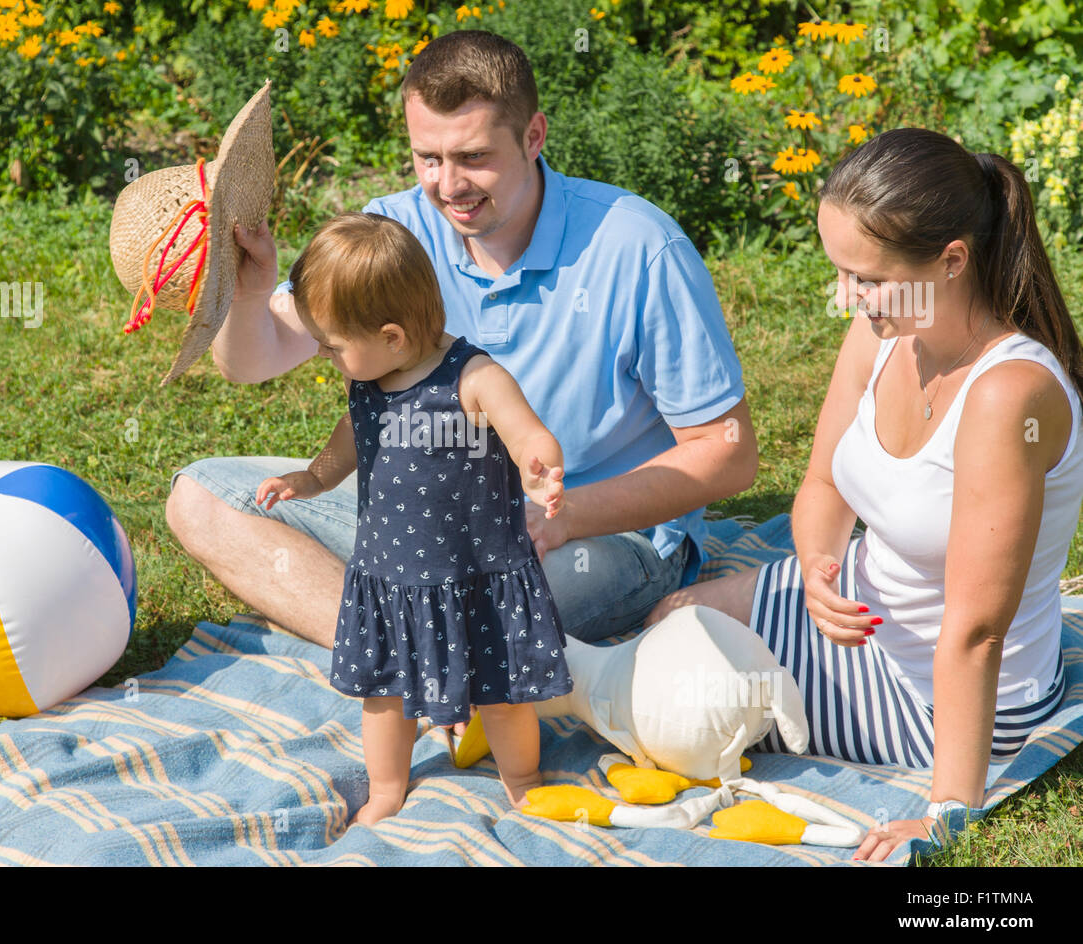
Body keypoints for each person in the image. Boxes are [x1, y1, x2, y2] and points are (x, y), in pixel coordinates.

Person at [165, 29, 757, 654]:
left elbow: (728, 452)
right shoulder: (392, 231)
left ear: (533, 136)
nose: (448, 185)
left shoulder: (637, 247)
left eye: (473, 157)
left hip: (595, 535)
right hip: (425, 512)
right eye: (428, 158)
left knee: (488, 588)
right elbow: (251, 363)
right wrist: (251, 294)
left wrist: (567, 514)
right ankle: (406, 654)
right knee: (201, 499)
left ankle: (405, 652)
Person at [646, 127, 1083, 861]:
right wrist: (817, 568)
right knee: (669, 618)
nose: (845, 295)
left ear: (951, 261)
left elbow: (975, 633)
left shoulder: (1008, 395)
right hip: (861, 604)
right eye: (841, 272)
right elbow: (821, 483)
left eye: (866, 277)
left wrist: (944, 810)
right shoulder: (882, 331)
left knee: (672, 704)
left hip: (940, 699)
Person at [255, 212, 573, 824]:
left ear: (394, 336)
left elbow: (526, 432)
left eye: (332, 345)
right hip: (391, 575)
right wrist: (313, 477)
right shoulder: (370, 380)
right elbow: (351, 436)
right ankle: (385, 789)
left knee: (503, 696)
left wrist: (540, 467)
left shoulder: (474, 378)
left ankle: (525, 780)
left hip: (475, 571)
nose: (324, 354)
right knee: (386, 695)